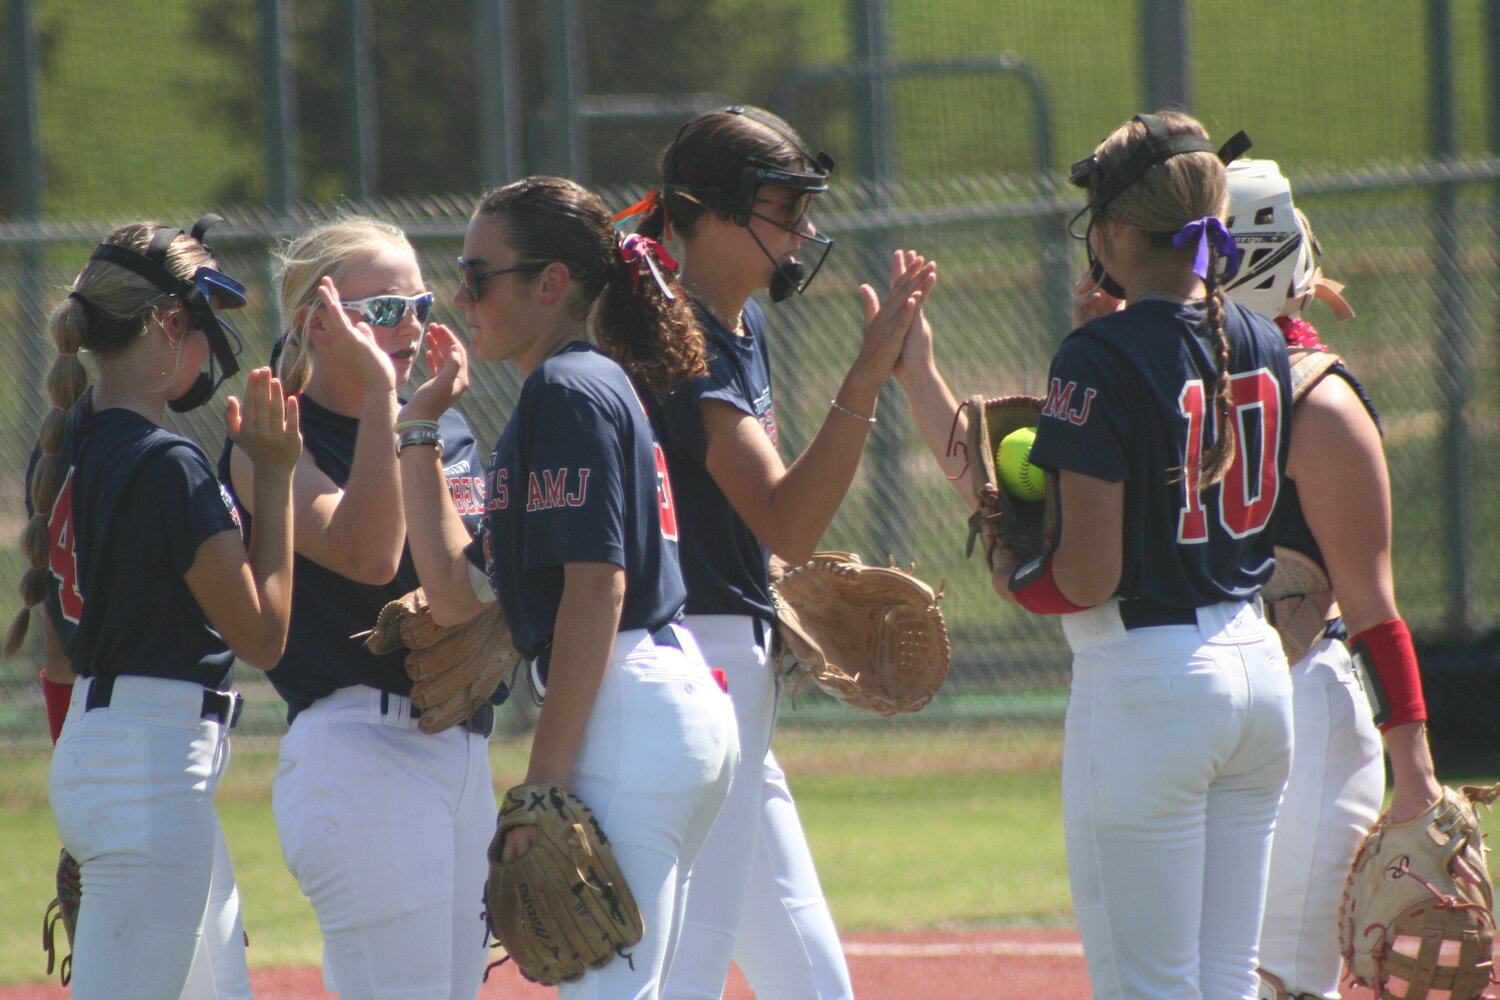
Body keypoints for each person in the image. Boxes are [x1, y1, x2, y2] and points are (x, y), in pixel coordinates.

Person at [899, 111, 1295, 1000]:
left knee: (1147, 988)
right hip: (1258, 669)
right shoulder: (1262, 338)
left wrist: (1009, 569)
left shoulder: (1098, 353)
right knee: (1224, 984)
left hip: (1151, 678)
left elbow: (1084, 578)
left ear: (1113, 231)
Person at [395, 175, 739, 1000]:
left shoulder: (567, 390)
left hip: (627, 707)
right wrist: (417, 430)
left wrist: (542, 781)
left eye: (481, 275)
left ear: (552, 284)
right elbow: (453, 592)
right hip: (648, 704)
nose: (460, 294)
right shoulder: (573, 389)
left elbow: (596, 591)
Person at [617, 104, 934, 1000]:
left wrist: (778, 586)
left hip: (730, 655)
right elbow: (785, 518)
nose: (803, 228)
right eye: (782, 205)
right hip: (700, 661)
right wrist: (866, 379)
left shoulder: (736, 325)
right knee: (689, 963)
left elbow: (762, 537)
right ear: (712, 212)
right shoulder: (679, 329)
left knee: (812, 981)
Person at [10, 219, 300, 1000]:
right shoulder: (167, 462)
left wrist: (89, 783)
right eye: (205, 325)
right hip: (149, 765)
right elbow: (265, 638)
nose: (214, 350)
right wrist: (273, 478)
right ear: (171, 323)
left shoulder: (62, 445)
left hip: (117, 756)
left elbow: (62, 656)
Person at [216, 218, 496, 1000]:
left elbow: (480, 582)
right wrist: (388, 400)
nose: (410, 324)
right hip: (359, 750)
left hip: (464, 745)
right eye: (383, 309)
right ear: (317, 321)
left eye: (419, 301)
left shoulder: (449, 423)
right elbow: (370, 552)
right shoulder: (271, 436)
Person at [1222, 159, 1444, 1000]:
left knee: (1274, 982)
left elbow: (1371, 603)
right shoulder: (1172, 382)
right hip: (1208, 709)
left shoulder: (1318, 401)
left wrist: (1414, 769)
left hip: (1306, 709)